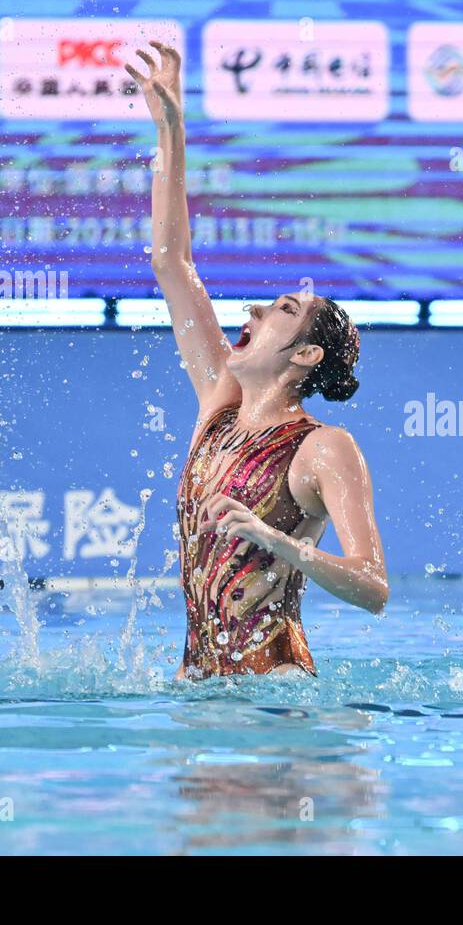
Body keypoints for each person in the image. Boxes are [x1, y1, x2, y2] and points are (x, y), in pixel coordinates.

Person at [126, 42, 388, 680]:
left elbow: (374, 587)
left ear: (305, 353)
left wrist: (280, 544)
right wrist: (171, 129)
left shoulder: (325, 448)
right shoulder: (220, 406)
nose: (253, 314)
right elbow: (171, 261)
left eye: (280, 309)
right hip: (200, 689)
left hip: (277, 694)